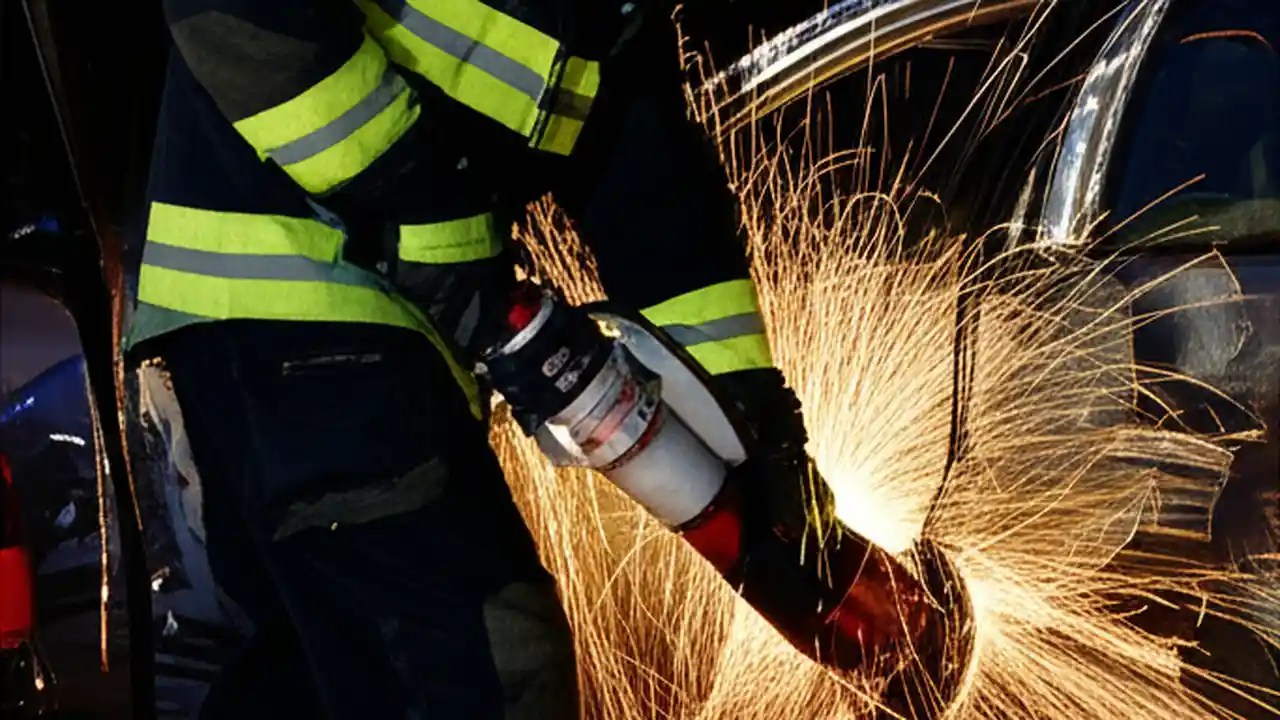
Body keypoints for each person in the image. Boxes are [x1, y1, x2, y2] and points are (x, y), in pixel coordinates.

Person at [124, 0, 833, 717]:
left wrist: (751, 425)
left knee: (320, 678)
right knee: (484, 669)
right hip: (291, 298)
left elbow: (652, 198)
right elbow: (235, 17)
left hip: (339, 329)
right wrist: (429, 220)